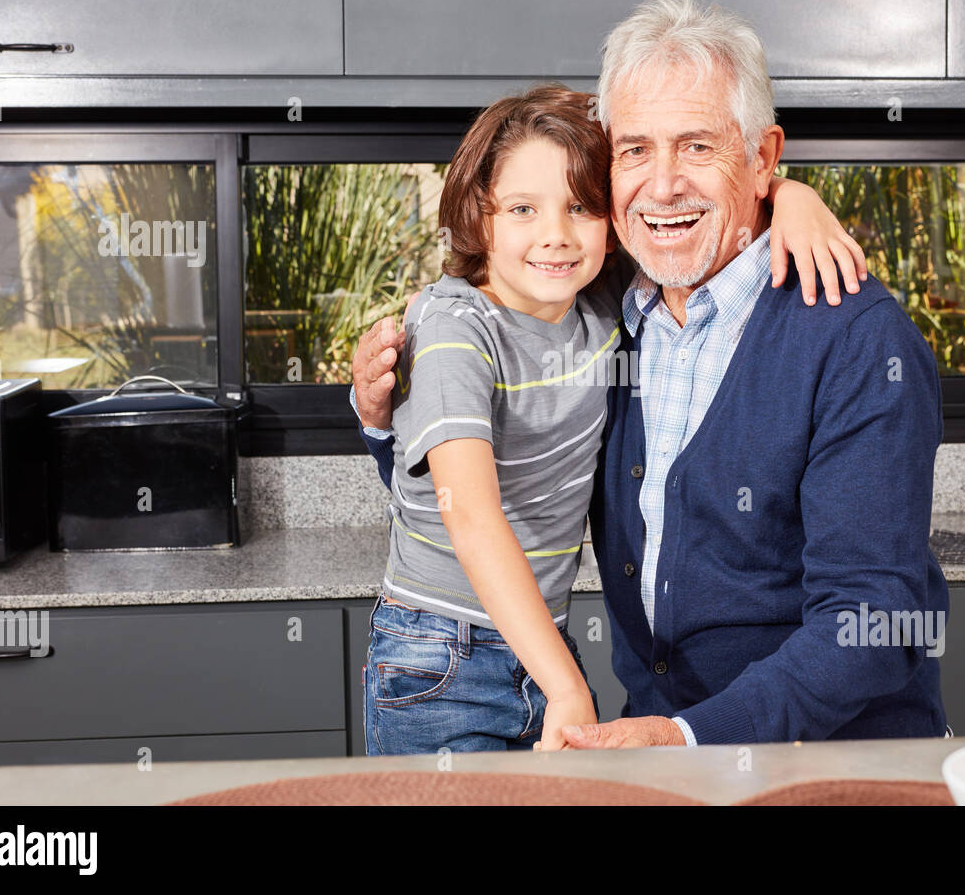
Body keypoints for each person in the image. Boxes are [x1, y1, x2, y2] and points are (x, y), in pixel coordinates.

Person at [353, 80, 865, 754]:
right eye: (523, 209)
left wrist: (792, 198)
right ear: (480, 215)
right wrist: (567, 687)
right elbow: (470, 517)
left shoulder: (599, 299)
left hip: (537, 646)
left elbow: (687, 219)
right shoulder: (453, 327)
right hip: (441, 655)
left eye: (579, 208)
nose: (556, 236)